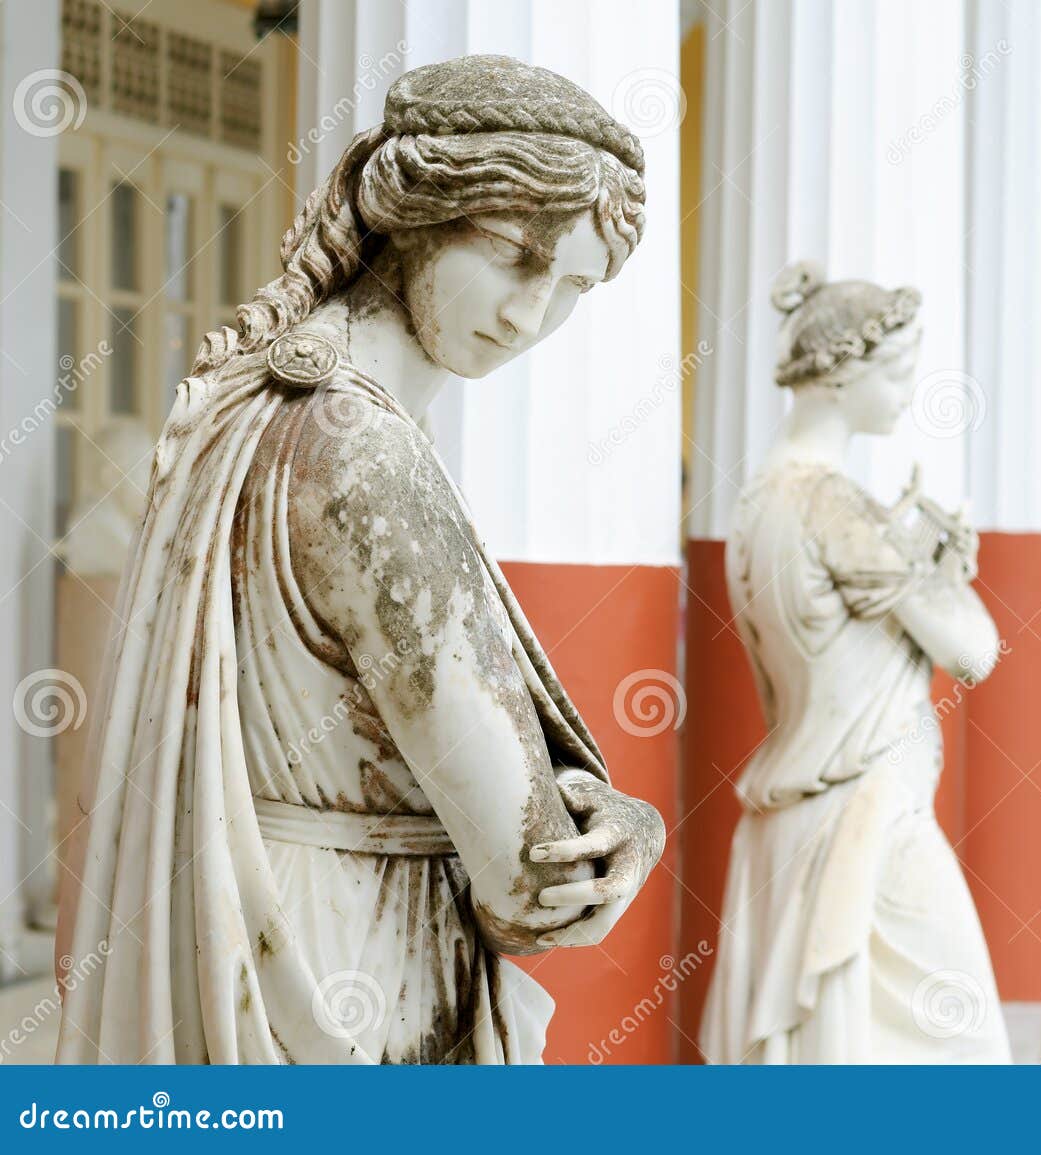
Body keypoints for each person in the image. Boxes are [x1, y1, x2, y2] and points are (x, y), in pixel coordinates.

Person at [56, 55, 664, 1065]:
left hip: (240, 931)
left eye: (573, 290)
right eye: (515, 253)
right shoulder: (362, 452)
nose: (528, 317)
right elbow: (535, 887)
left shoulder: (253, 402)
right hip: (354, 977)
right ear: (417, 210)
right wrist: (631, 826)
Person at [699, 262, 1009, 1064]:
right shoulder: (834, 502)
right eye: (898, 370)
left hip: (806, 813)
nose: (908, 391)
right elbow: (975, 650)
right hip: (870, 819)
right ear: (840, 374)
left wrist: (914, 558)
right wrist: (935, 569)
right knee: (966, 1044)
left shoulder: (757, 499)